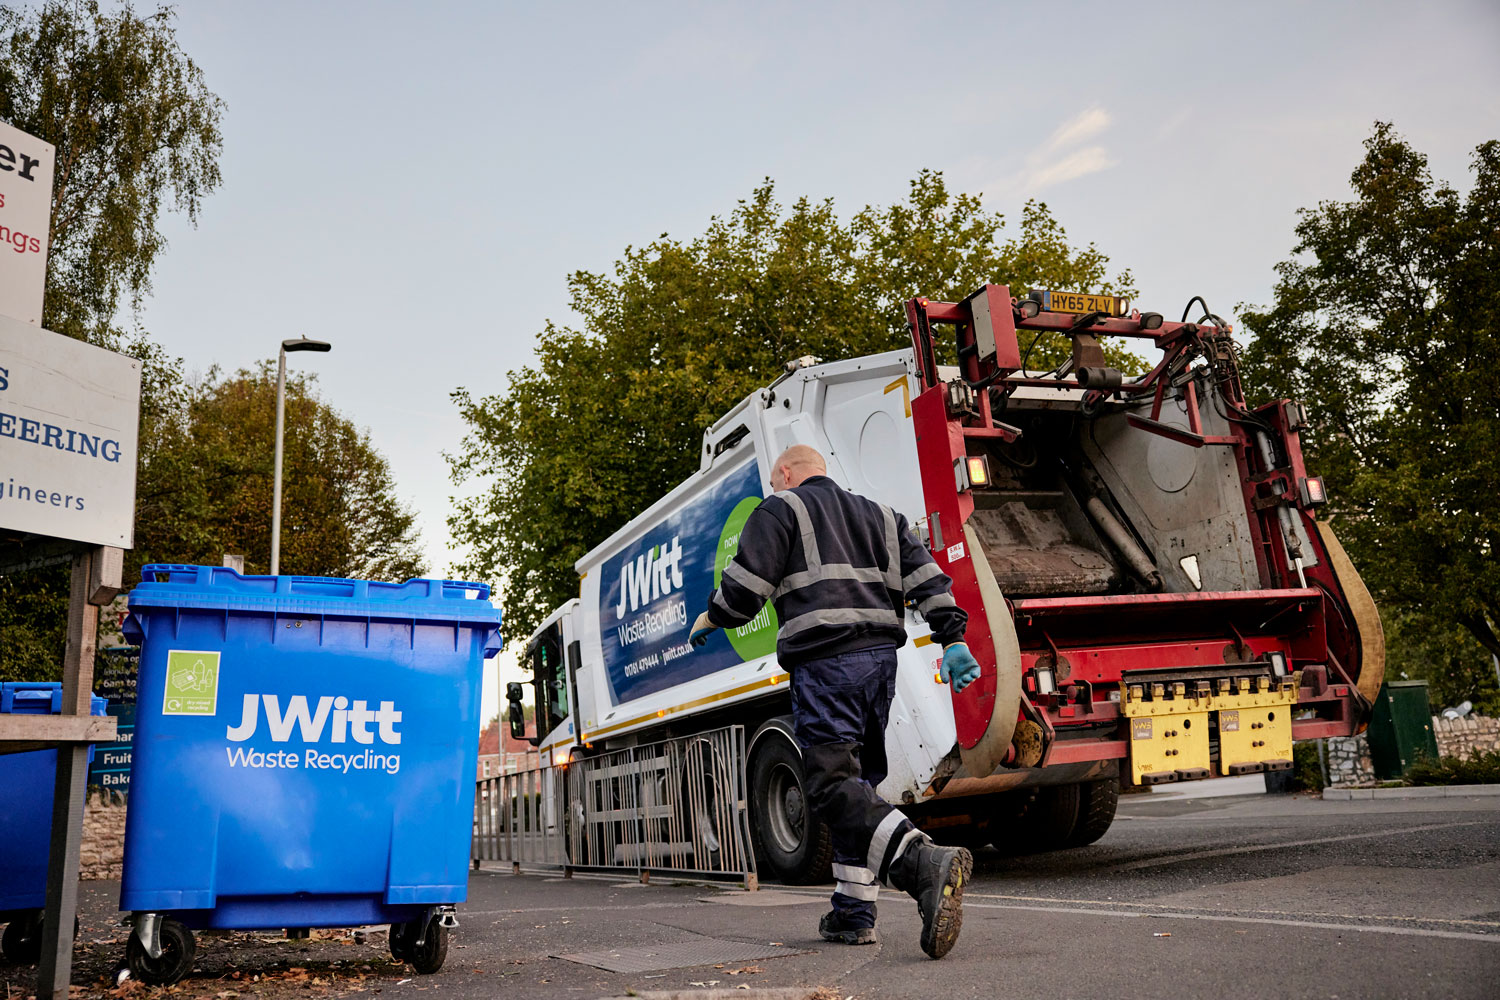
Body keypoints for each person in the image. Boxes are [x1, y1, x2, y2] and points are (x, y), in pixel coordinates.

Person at [689, 444, 981, 959]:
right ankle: (853, 912)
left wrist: (713, 617)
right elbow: (930, 581)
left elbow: (745, 590)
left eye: (777, 480)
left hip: (826, 664)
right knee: (857, 785)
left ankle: (922, 863)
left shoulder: (780, 508)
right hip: (878, 666)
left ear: (785, 473)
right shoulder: (884, 517)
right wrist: (953, 639)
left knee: (828, 787)